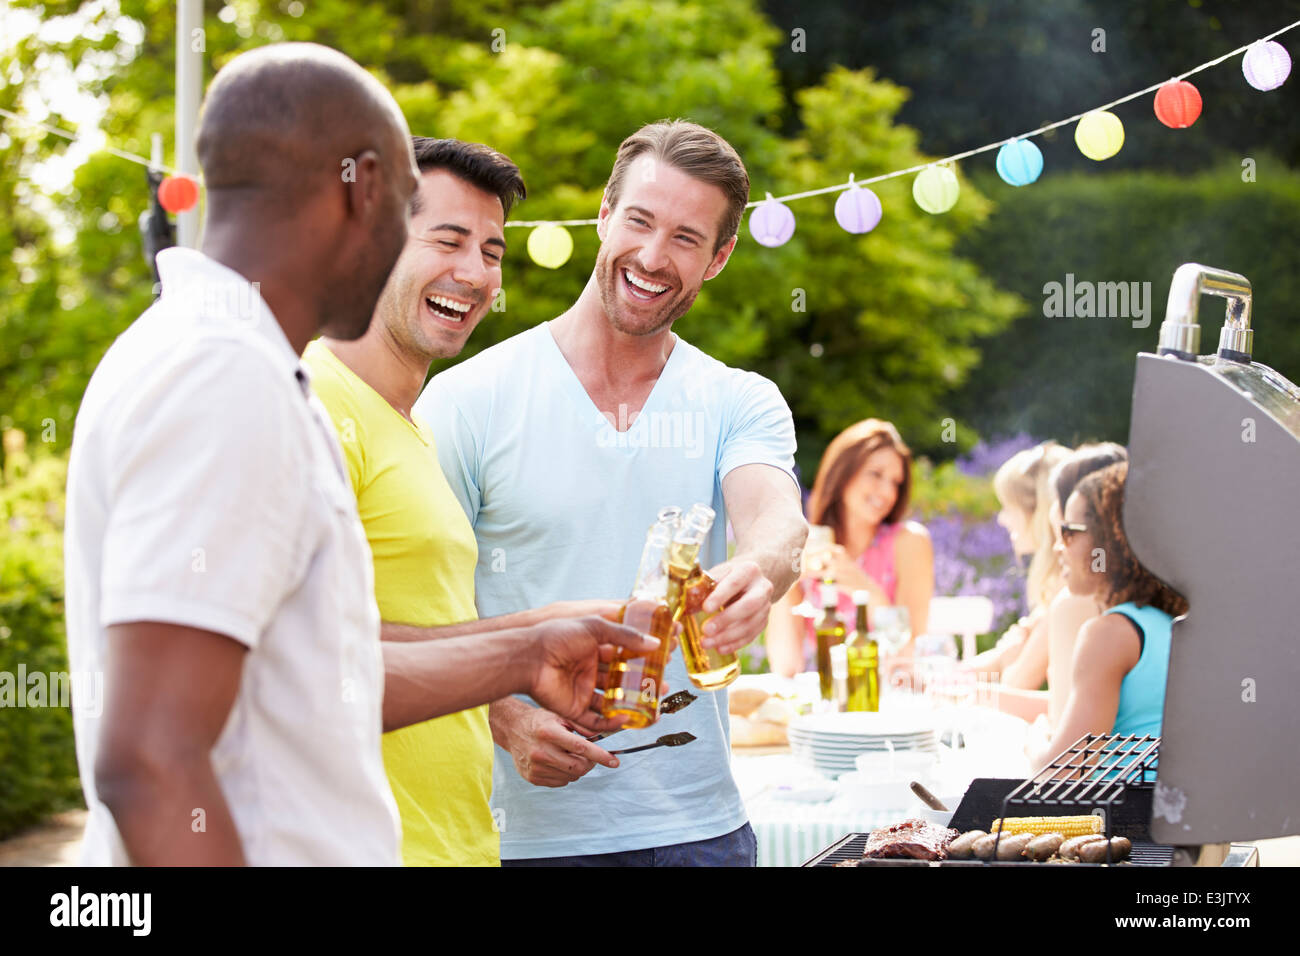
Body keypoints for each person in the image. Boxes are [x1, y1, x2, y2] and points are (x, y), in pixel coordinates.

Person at [63, 44, 654, 866]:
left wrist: (524, 653)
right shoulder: (222, 374)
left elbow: (311, 671)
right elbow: (150, 758)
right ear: (363, 189)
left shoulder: (231, 359)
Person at [416, 119, 808, 866]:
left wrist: (759, 572)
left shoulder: (738, 399)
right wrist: (505, 719)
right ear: (604, 214)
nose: (653, 257)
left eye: (687, 238)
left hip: (700, 834)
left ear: (719, 257)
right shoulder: (468, 400)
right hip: (519, 839)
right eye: (639, 221)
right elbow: (419, 618)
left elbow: (775, 520)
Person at [303, 137, 630, 867]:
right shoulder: (319, 401)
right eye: (448, 241)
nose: (476, 273)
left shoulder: (410, 427)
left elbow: (413, 632)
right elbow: (301, 656)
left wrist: (546, 628)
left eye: (491, 251)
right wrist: (525, 650)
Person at [1027, 461, 1188, 772]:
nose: (1058, 546)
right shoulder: (1164, 621)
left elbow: (1061, 771)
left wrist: (1033, 738)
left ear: (1110, 540)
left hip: (1126, 802)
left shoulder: (1109, 633)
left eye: (1069, 531)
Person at [765, 419, 933, 678]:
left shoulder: (909, 543)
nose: (887, 492)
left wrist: (864, 589)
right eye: (876, 474)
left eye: (896, 482)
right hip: (833, 695)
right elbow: (785, 666)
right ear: (843, 474)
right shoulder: (807, 547)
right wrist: (788, 581)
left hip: (892, 695)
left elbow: (909, 656)